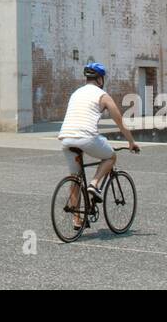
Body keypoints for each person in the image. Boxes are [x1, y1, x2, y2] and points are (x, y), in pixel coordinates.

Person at [58, 62, 139, 228]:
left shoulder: (75, 93)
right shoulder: (103, 95)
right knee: (110, 156)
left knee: (75, 178)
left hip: (66, 138)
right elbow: (119, 122)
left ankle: (77, 219)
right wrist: (131, 141)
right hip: (86, 137)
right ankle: (94, 184)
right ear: (100, 79)